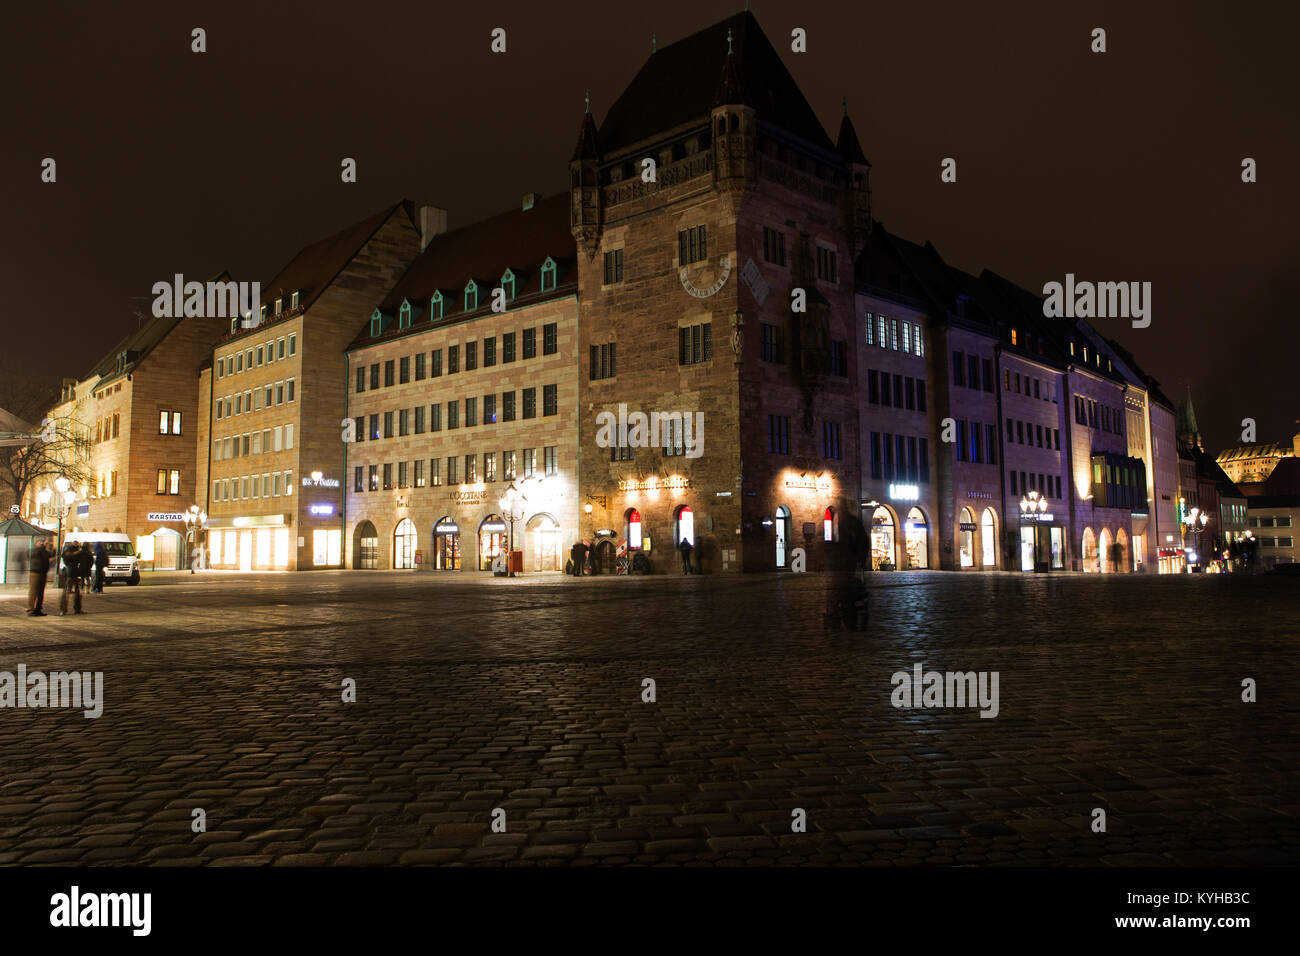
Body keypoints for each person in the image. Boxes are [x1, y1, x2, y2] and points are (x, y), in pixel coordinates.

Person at [60, 542, 87, 616]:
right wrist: (75, 554)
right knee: (68, 591)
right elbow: (66, 557)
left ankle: (76, 609)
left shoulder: (78, 551)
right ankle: (64, 610)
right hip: (70, 573)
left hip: (75, 572)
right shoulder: (69, 550)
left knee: (77, 592)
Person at [27, 539, 52, 616]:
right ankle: (31, 609)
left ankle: (38, 609)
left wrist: (46, 547)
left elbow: (49, 555)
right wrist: (43, 546)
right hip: (35, 572)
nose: (42, 543)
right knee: (33, 591)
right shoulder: (33, 550)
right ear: (36, 543)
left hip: (43, 572)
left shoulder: (44, 551)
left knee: (41, 592)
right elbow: (37, 553)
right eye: (40, 542)